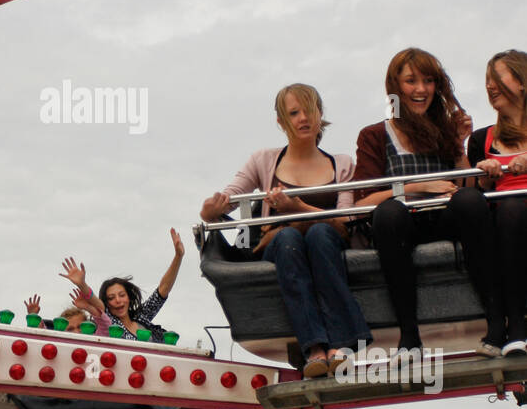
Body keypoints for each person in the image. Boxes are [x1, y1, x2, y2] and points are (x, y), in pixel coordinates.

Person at [200, 84, 370, 378]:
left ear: (320, 114)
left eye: (310, 110)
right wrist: (211, 209)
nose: (303, 118)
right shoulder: (263, 160)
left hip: (327, 239)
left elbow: (344, 221)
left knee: (318, 234)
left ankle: (342, 344)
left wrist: (297, 206)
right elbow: (228, 197)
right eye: (294, 113)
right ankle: (314, 348)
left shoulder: (342, 164)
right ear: (281, 121)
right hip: (281, 241)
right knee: (289, 238)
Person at [352, 48, 504, 353]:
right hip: (403, 225)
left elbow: (468, 184)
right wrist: (419, 186)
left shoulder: (444, 131)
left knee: (471, 201)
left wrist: (460, 145)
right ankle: (409, 337)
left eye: (428, 81)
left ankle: (497, 323)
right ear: (395, 87)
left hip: (444, 219)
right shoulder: (374, 135)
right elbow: (363, 202)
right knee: (389, 214)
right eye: (411, 81)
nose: (421, 90)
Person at [59, 242, 215, 409]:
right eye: (112, 297)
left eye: (121, 295)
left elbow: (163, 290)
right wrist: (84, 287)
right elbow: (99, 307)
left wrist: (178, 256)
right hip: (132, 380)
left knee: (208, 371)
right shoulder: (110, 322)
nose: (117, 301)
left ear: (129, 297)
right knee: (144, 370)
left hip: (161, 376)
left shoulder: (141, 319)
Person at [467, 50, 527, 354]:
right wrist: (486, 178)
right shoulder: (481, 139)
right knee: (503, 212)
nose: (490, 86)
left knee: (514, 208)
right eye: (487, 80)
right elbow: (477, 191)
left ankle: (517, 324)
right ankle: (507, 324)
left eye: (498, 77)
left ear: (522, 81)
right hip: (504, 217)